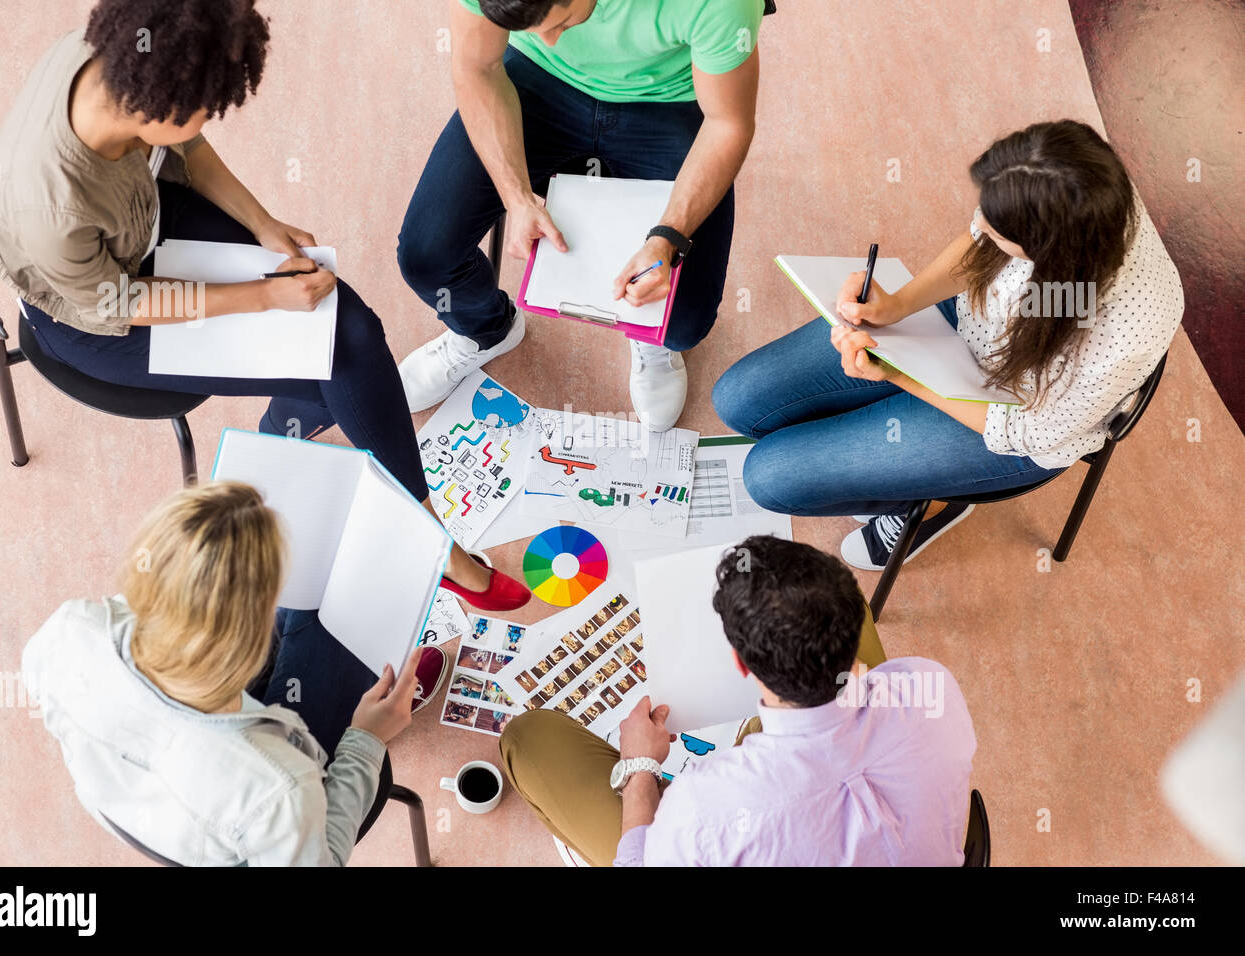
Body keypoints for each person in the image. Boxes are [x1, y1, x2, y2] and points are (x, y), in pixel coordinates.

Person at [0, 0, 526, 610]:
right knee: (343, 350)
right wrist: (263, 296)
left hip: (141, 223)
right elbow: (121, 301)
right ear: (161, 108)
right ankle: (435, 541)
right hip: (96, 319)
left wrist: (263, 224)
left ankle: (288, 437)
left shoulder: (117, 66)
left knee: (344, 328)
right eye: (201, 112)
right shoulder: (52, 211)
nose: (205, 122)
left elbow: (184, 151)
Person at [712, 120, 1184, 571]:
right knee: (739, 400)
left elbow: (1030, 433)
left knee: (769, 479)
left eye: (1001, 231)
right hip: (975, 321)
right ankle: (878, 457)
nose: (979, 223)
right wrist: (897, 304)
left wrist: (898, 375)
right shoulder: (1075, 184)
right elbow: (980, 241)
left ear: (1050, 255)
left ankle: (928, 504)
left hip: (1013, 417)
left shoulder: (1120, 336)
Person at [22, 481, 448, 866]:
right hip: (254, 822)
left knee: (310, 622)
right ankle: (381, 711)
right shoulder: (278, 785)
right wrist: (366, 741)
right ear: (248, 636)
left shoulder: (70, 629)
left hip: (135, 807)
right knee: (317, 626)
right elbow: (325, 859)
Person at [396, 0, 764, 432]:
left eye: (565, 22)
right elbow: (479, 68)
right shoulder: (536, 37)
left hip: (667, 98)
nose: (551, 39)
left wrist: (667, 236)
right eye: (531, 27)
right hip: (537, 79)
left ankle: (650, 339)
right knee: (426, 255)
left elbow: (728, 124)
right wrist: (516, 196)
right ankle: (487, 331)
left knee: (681, 323)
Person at [499, 536, 976, 866]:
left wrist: (640, 769)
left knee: (529, 737)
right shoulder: (929, 684)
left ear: (742, 667)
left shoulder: (706, 809)